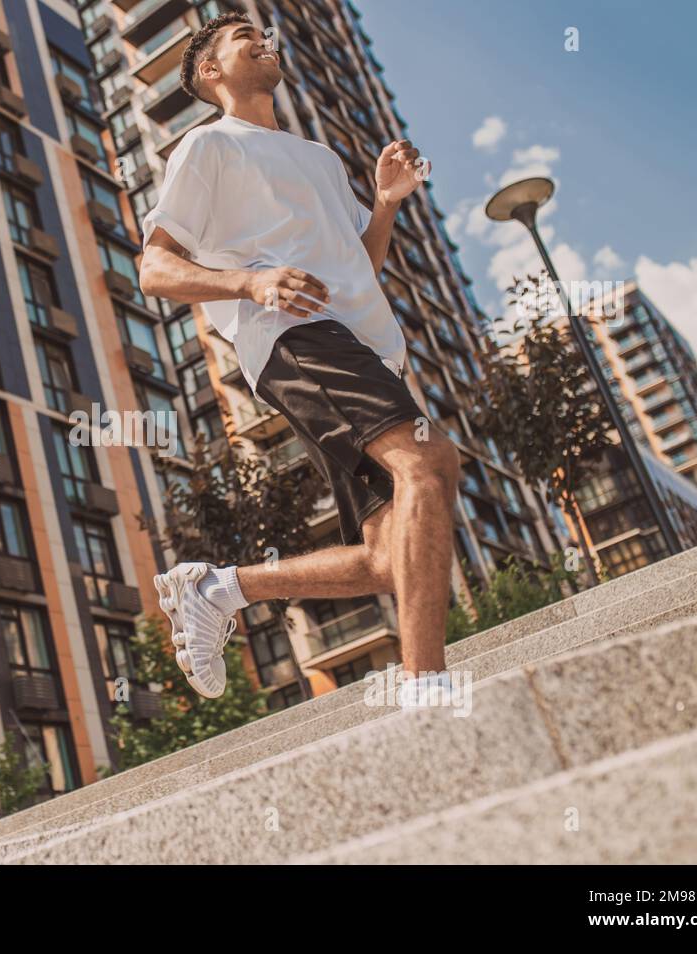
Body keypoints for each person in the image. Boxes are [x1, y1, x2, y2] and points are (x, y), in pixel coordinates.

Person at [140, 12, 458, 709]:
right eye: (241, 36)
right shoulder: (209, 147)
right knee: (431, 462)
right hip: (294, 336)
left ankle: (220, 588)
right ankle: (428, 692)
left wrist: (384, 203)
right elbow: (155, 268)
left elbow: (360, 263)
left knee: (389, 557)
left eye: (264, 32)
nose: (262, 40)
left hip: (368, 349)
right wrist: (249, 282)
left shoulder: (318, 157)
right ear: (210, 73)